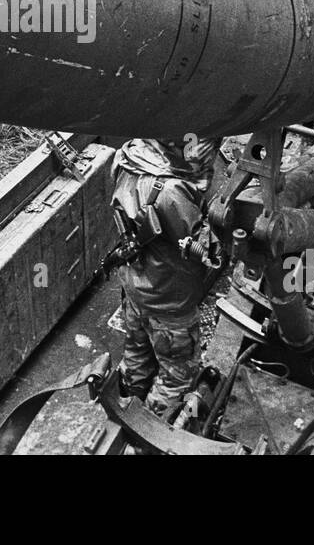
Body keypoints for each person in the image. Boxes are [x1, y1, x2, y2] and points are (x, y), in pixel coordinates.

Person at [110, 135, 222, 416]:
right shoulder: (172, 191)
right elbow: (207, 250)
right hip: (169, 304)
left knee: (136, 356)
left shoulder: (128, 156)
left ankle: (125, 407)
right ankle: (150, 430)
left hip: (136, 288)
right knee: (177, 378)